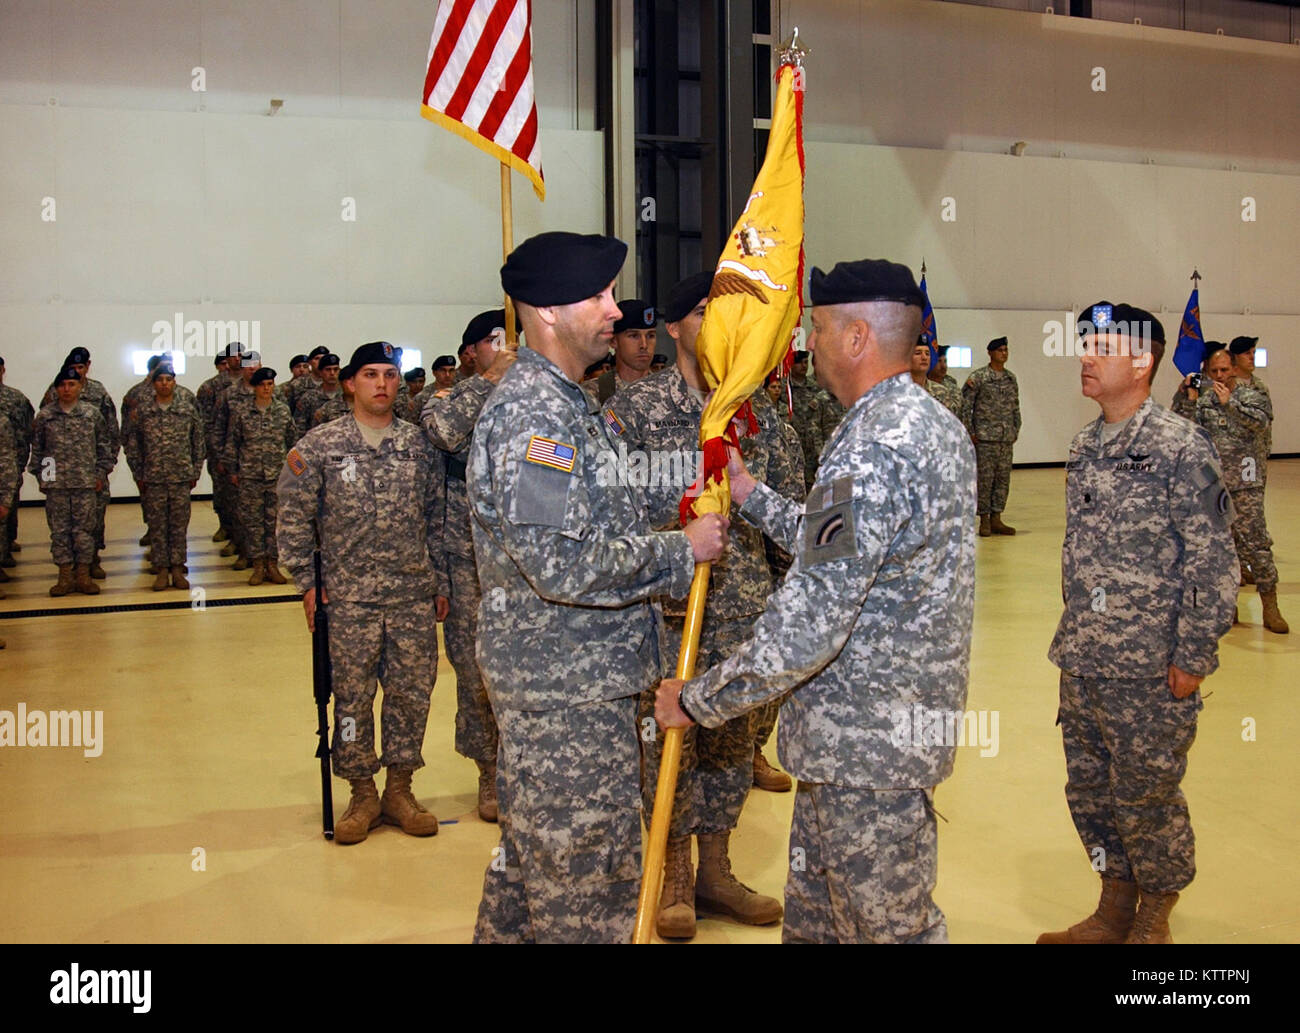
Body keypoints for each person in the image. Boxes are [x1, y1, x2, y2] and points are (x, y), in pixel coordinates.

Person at [657, 258, 977, 944]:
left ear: (858, 335)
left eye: (819, 328)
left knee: (885, 926)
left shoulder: (873, 445)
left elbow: (812, 618)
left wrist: (697, 699)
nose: (807, 343)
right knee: (824, 921)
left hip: (868, 747)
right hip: (865, 740)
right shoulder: (922, 423)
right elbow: (838, 543)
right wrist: (748, 494)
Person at [468, 231, 728, 943]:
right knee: (590, 897)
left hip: (581, 688)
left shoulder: (574, 405)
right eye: (600, 296)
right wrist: (682, 551)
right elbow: (560, 564)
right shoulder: (536, 418)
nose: (617, 311)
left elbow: (602, 511)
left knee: (530, 887)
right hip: (566, 700)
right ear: (547, 312)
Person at [607, 271, 804, 939]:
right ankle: (674, 877)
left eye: (733, 317)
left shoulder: (760, 416)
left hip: (745, 614)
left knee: (730, 747)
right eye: (705, 314)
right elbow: (610, 522)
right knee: (668, 747)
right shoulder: (633, 414)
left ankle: (717, 869)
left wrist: (788, 609)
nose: (721, 329)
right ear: (674, 326)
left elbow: (794, 521)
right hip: (664, 613)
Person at [1038, 302, 1237, 945]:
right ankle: (1113, 907)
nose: (1086, 357)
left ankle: (1154, 917)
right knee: (1091, 794)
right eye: (1085, 344)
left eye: (1102, 346)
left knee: (1147, 797)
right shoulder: (1083, 446)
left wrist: (1194, 654)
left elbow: (1214, 558)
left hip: (1152, 668)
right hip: (1086, 659)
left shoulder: (1181, 446)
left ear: (1143, 360)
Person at [277, 341, 451, 845]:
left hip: (411, 595)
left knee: (411, 695)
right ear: (350, 383)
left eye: (390, 375)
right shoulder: (319, 445)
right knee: (351, 699)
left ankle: (400, 789)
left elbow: (436, 518)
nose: (382, 384)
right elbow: (291, 518)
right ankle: (361, 792)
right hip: (348, 600)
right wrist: (307, 585)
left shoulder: (420, 446)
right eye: (370, 375)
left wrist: (438, 579)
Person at [421, 309, 517, 822]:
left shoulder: (534, 395)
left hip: (524, 555)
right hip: (467, 558)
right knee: (477, 670)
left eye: (512, 341)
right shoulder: (447, 397)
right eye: (495, 342)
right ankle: (488, 772)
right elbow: (444, 433)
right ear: (471, 353)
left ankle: (522, 767)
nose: (506, 349)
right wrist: (490, 380)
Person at [1172, 343, 1286, 633]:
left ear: (1234, 368)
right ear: (1206, 372)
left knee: (1256, 546)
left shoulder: (1252, 394)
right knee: (1222, 549)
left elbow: (1261, 423)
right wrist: (1189, 397)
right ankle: (1228, 606)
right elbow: (1183, 430)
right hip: (1211, 484)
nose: (1221, 375)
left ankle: (1270, 605)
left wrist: (1230, 405)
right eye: (1214, 371)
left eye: (1225, 369)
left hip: (1246, 483)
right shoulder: (1202, 398)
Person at [29, 367, 116, 596]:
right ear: (56, 389)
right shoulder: (46, 416)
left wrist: (98, 475)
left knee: (84, 532)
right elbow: (40, 452)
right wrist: (45, 480)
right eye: (62, 385)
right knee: (59, 532)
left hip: (85, 485)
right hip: (56, 487)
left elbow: (103, 448)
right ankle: (65, 576)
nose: (66, 389)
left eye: (72, 384)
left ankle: (83, 576)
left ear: (80, 387)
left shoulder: (91, 414)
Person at [124, 363, 205, 590]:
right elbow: (134, 446)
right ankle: (161, 570)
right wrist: (139, 474)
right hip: (154, 479)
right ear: (153, 383)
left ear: (174, 382)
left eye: (169, 379)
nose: (164, 383)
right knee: (158, 527)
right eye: (160, 380)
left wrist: (194, 471)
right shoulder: (142, 411)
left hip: (180, 478)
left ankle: (178, 569)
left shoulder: (187, 409)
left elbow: (198, 443)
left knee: (179, 526)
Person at [43, 348, 119, 578]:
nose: (76, 373)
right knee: (61, 527)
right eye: (73, 368)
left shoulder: (98, 392)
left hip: (90, 475)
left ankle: (92, 560)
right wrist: (46, 478)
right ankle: (67, 570)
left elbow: (110, 431)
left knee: (93, 521)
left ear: (88, 366)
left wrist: (104, 468)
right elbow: (43, 442)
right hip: (60, 479)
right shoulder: (53, 396)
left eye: (80, 368)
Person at [226, 368, 296, 586]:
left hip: (277, 475)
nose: (267, 388)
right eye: (263, 385)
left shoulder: (283, 411)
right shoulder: (242, 413)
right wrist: (234, 471)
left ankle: (273, 565)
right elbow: (233, 443)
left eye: (270, 384)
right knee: (253, 522)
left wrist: (293, 473)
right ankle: (258, 565)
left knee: (275, 522)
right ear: (255, 387)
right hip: (250, 475)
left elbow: (293, 443)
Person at [961, 336, 1020, 536]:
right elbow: (966, 406)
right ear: (990, 353)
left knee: (1002, 480)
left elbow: (1015, 407)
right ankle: (984, 519)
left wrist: (1015, 428)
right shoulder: (978, 378)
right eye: (1000, 350)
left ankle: (997, 518)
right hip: (985, 438)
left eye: (1006, 350)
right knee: (984, 480)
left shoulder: (1010, 378)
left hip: (1005, 438)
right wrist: (971, 432)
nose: (1004, 353)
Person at [0, 357, 35, 574]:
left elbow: (28, 430)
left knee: (8, 509)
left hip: (9, 464)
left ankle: (6, 549)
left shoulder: (15, 398)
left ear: (3, 370)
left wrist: (19, 463)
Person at [584, 299, 657, 402]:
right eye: (634, 336)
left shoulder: (670, 391)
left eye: (651, 336)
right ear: (613, 341)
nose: (644, 345)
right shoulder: (593, 393)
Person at [785, 350, 824, 489]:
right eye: (800, 362)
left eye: (806, 362)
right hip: (794, 448)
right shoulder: (785, 388)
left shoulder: (815, 386)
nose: (804, 365)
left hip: (814, 447)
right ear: (791, 364)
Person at [293, 353, 341, 437]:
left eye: (335, 369)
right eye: (328, 370)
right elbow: (299, 428)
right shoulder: (309, 397)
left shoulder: (347, 395)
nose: (332, 373)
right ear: (321, 372)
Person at [918, 342, 961, 418]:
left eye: (945, 361)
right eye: (939, 361)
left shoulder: (952, 385)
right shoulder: (921, 383)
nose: (943, 366)